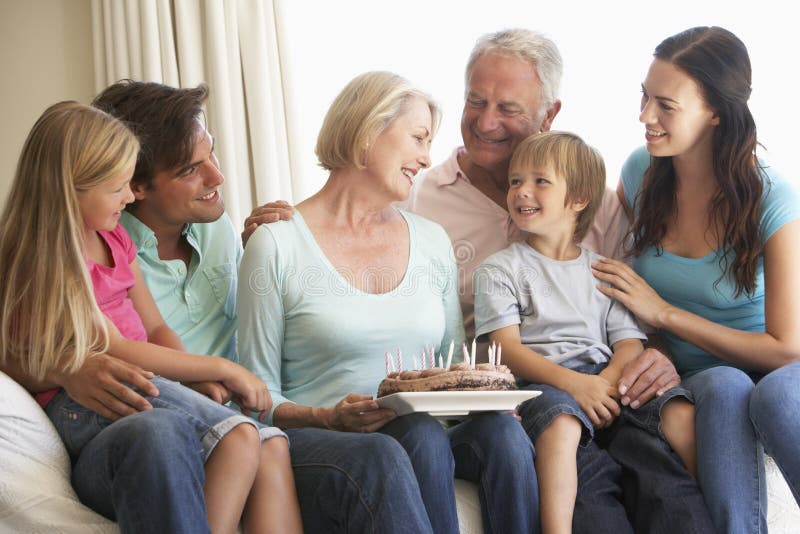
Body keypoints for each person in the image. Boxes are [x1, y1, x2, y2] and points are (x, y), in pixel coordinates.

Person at [247, 29, 713, 532]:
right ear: (367, 133)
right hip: (505, 401)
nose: (485, 122)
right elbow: (255, 389)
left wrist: (652, 356)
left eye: (507, 108)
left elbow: (625, 313)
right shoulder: (413, 200)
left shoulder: (583, 201)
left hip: (532, 400)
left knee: (519, 440)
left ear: (549, 115)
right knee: (430, 435)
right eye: (475, 101)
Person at [92, 79, 435, 533]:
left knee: (400, 441)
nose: (217, 177)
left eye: (212, 153)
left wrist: (261, 254)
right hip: (194, 422)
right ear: (135, 185)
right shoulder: (108, 254)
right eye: (191, 169)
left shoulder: (217, 229)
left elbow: (257, 341)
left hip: (255, 419)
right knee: (372, 457)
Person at [237, 70, 538, 534]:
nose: (427, 157)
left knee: (503, 434)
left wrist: (486, 395)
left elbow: (448, 367)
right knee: (417, 434)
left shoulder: (432, 241)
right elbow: (256, 399)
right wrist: (327, 417)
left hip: (425, 433)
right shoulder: (275, 243)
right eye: (418, 138)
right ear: (367, 131)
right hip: (325, 439)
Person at [0, 101, 302, 533]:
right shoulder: (54, 261)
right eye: (117, 188)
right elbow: (115, 348)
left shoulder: (114, 238)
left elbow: (155, 326)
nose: (129, 197)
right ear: (71, 190)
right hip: (92, 399)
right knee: (238, 437)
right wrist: (221, 368)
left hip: (140, 379)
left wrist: (189, 378)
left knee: (266, 442)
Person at [592, 26, 800, 533]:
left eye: (665, 105)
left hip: (774, 369)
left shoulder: (772, 198)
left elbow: (787, 348)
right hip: (699, 377)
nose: (645, 116)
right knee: (725, 384)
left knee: (772, 395)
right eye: (644, 96)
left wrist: (666, 314)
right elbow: (619, 289)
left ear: (715, 113)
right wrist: (653, 344)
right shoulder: (640, 173)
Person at [475, 131, 697, 533]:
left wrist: (604, 385)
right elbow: (506, 350)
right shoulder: (499, 269)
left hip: (608, 385)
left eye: (540, 181)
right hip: (545, 387)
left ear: (578, 199)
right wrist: (576, 385)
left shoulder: (604, 271)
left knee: (667, 439)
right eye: (515, 181)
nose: (522, 191)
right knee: (575, 454)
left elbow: (629, 346)